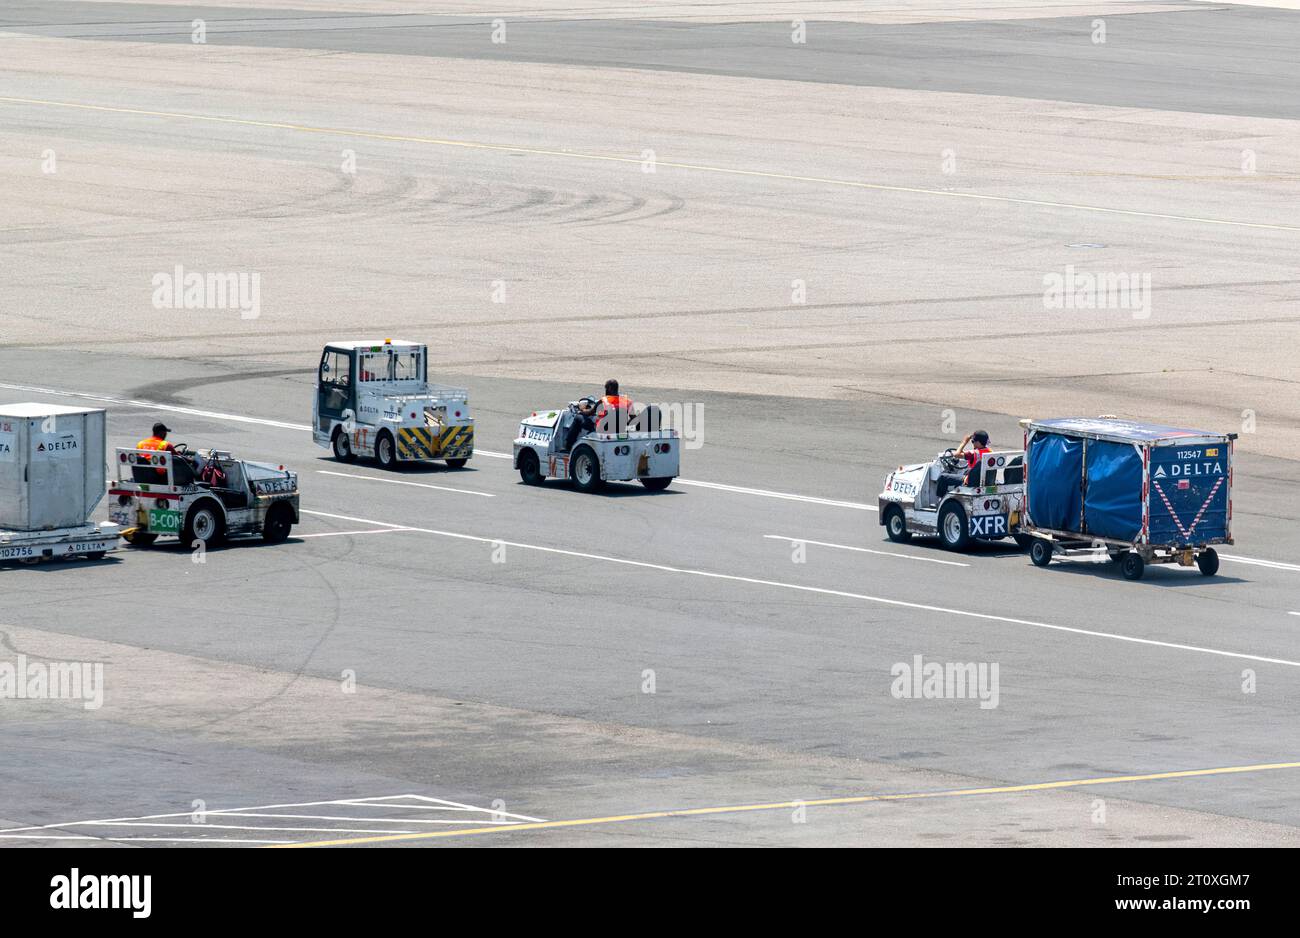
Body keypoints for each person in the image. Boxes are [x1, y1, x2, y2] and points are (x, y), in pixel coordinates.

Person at [563, 379, 633, 451]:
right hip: (620, 431)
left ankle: (568, 446)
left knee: (578, 417)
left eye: (606, 388)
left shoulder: (604, 400)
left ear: (609, 388)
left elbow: (589, 412)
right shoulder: (627, 401)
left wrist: (582, 409)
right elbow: (633, 418)